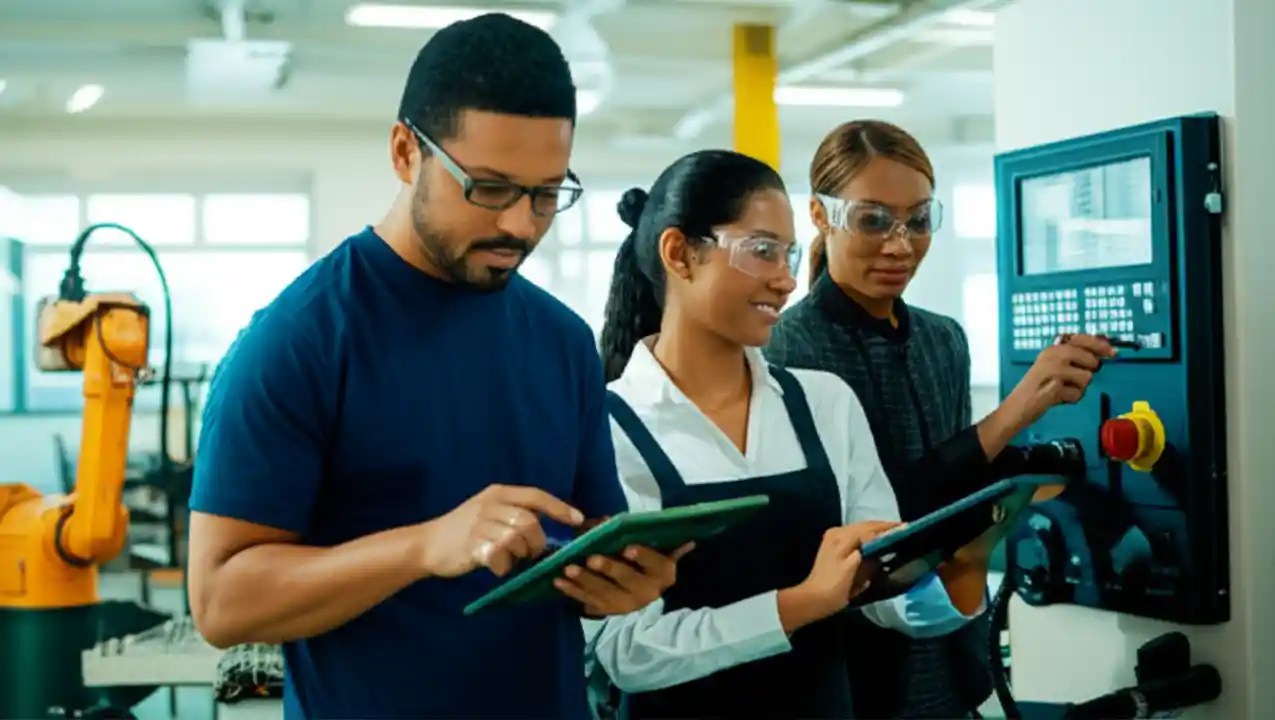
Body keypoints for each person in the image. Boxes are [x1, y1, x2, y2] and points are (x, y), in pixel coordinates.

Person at [186, 14, 684, 720]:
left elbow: (587, 540)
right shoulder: (301, 339)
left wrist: (625, 580)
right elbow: (220, 602)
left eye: (546, 194)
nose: (520, 223)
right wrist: (425, 546)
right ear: (404, 152)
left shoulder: (562, 341)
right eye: (488, 187)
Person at [586, 149, 995, 720]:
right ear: (680, 253)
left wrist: (965, 564)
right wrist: (801, 604)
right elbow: (626, 652)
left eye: (789, 253)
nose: (785, 279)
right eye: (760, 252)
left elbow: (883, 597)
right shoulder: (607, 427)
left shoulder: (824, 402)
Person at [765, 119, 1116, 718]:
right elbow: (870, 524)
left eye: (919, 220)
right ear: (821, 217)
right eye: (873, 219)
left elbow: (960, 480)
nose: (900, 245)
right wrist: (1013, 413)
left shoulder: (942, 340)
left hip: (954, 654)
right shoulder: (790, 349)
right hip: (856, 665)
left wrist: (1035, 473)